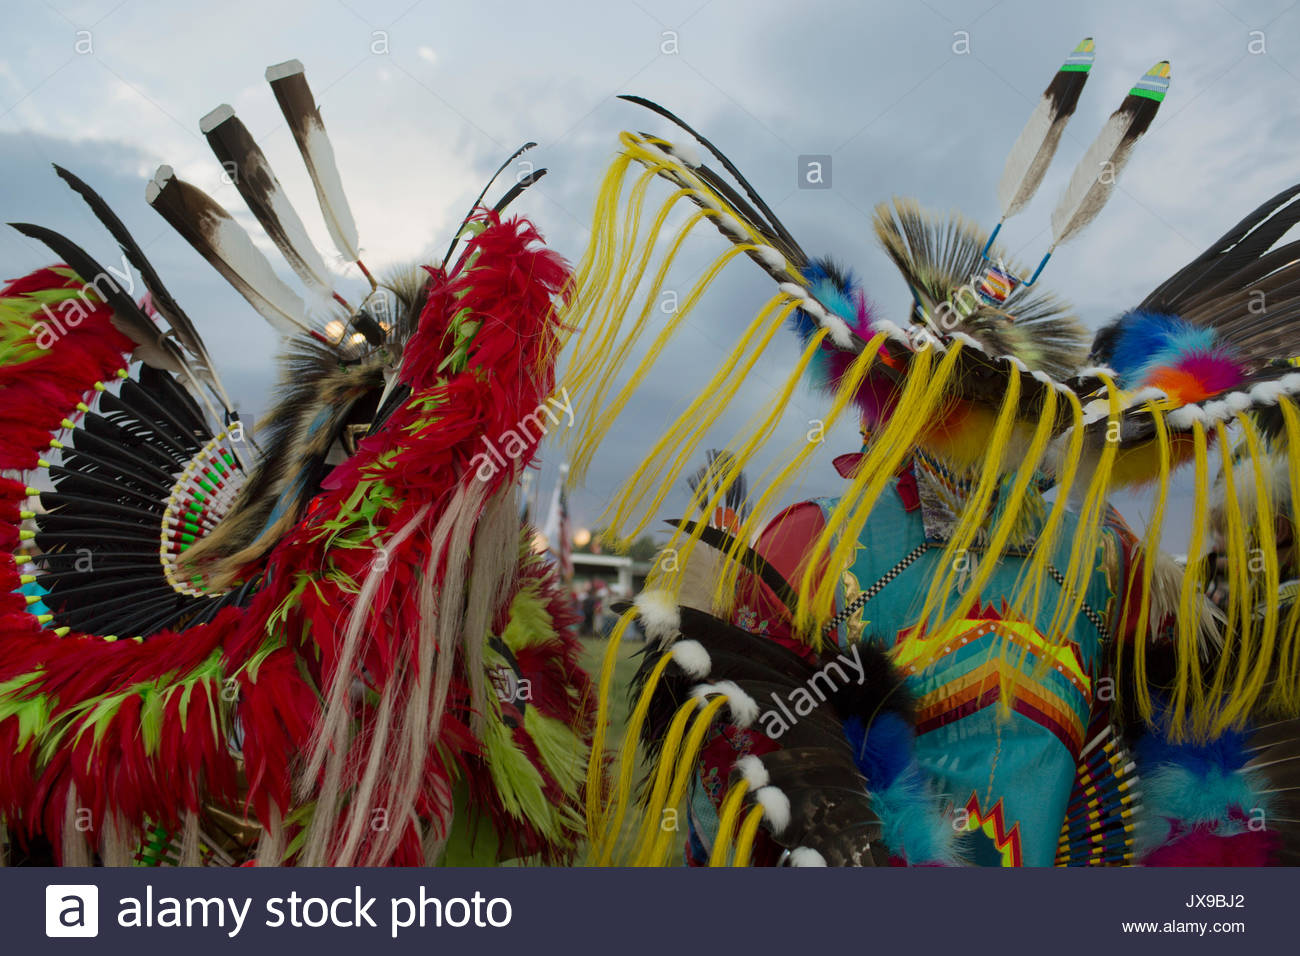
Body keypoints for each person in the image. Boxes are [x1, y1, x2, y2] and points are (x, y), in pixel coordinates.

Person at [567, 44, 1300, 866]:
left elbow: (1196, 711)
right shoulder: (814, 542)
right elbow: (736, 775)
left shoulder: (1105, 558)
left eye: (975, 403)